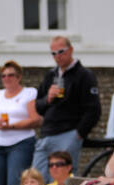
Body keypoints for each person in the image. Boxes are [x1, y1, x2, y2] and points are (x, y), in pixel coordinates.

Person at [32, 36, 101, 175]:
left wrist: (78, 135)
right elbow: (38, 107)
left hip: (68, 134)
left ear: (71, 50)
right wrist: (48, 99)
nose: (58, 56)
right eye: (53, 53)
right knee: (37, 181)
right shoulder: (51, 75)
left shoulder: (85, 75)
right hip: (46, 135)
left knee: (61, 183)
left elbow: (94, 110)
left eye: (61, 51)